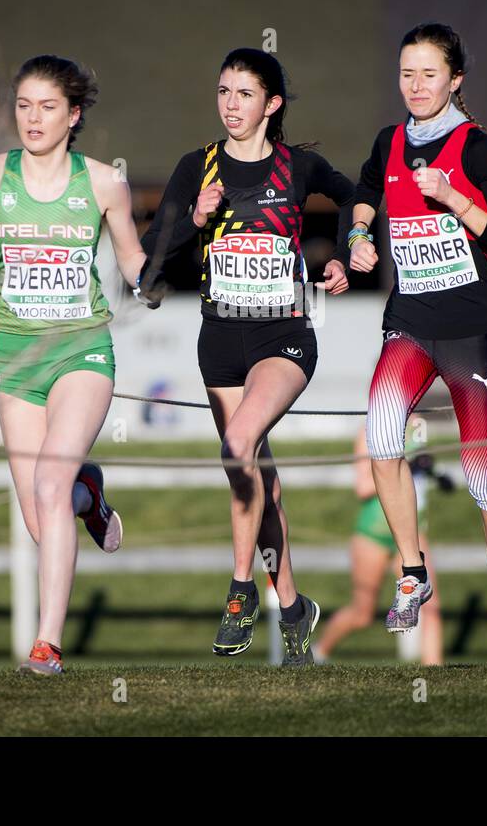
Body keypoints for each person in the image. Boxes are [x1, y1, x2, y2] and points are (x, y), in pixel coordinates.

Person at [137, 48, 353, 666]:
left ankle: (239, 593)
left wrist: (341, 253)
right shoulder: (195, 167)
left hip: (282, 338)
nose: (231, 104)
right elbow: (153, 257)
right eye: (223, 92)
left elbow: (358, 198)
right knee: (257, 478)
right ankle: (292, 606)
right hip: (219, 342)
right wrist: (192, 220)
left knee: (237, 449)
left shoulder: (299, 166)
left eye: (244, 94)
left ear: (271, 104)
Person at [0, 54, 141, 675]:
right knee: (41, 515)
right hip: (14, 359)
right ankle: (88, 495)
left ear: (73, 115)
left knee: (48, 487)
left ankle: (47, 647)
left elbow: (133, 263)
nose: (33, 118)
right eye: (24, 105)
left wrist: (152, 276)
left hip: (82, 351)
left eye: (48, 107)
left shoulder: (103, 183)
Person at [347, 23, 487, 670]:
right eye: (407, 73)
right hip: (411, 322)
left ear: (455, 79)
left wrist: (454, 197)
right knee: (382, 433)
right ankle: (412, 569)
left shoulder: (476, 148)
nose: (416, 86)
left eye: (429, 74)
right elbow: (366, 190)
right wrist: (358, 237)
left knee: (484, 479)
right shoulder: (389, 141)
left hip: (472, 332)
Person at [314, 423, 444, 664]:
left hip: (413, 533)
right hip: (373, 534)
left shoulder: (419, 425)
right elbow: (363, 487)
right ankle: (318, 652)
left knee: (430, 607)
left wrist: (432, 473)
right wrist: (404, 466)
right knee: (362, 613)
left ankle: (434, 676)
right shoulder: (369, 430)